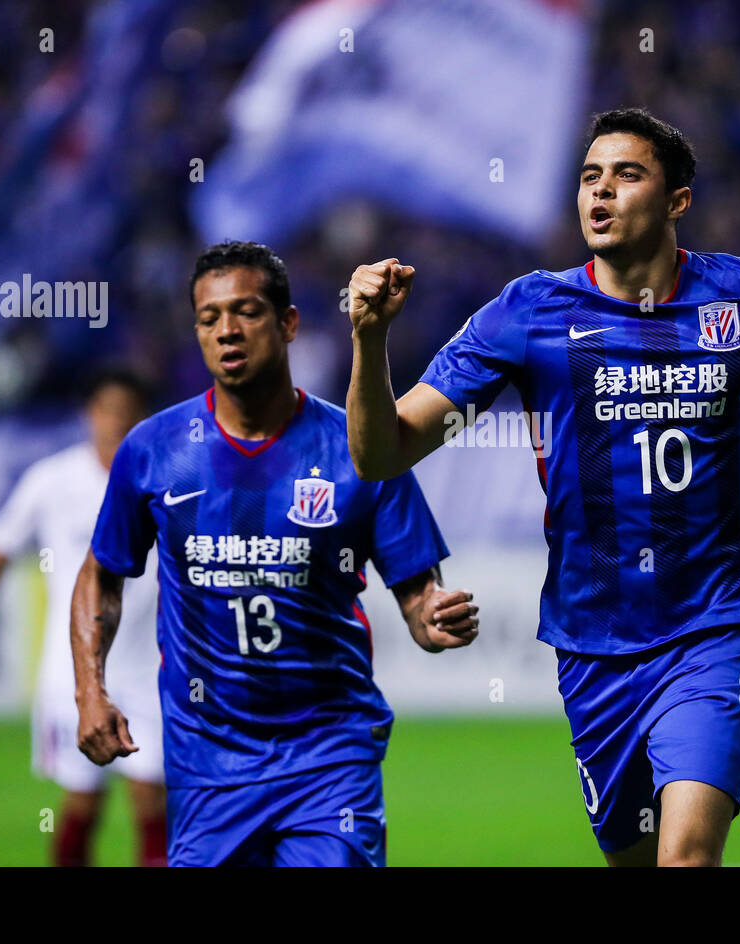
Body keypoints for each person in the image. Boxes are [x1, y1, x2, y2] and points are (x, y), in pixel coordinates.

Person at [345, 107, 740, 866]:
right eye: (588, 178)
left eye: (626, 174)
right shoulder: (528, 313)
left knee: (684, 857)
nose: (600, 193)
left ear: (677, 199)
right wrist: (370, 341)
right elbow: (384, 454)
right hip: (594, 643)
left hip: (715, 624)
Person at [70, 240, 477, 866]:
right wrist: (90, 691)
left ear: (288, 324)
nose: (227, 331)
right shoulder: (154, 450)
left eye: (247, 311)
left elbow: (419, 597)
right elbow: (101, 575)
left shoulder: (361, 449)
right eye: (209, 318)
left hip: (328, 756)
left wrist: (435, 616)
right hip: (207, 763)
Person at [0, 369, 166, 866]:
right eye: (107, 409)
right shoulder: (52, 480)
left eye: (128, 411)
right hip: (73, 674)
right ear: (90, 414)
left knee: (153, 801)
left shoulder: (163, 475)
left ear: (142, 418)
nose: (117, 421)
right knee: (83, 803)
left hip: (152, 671)